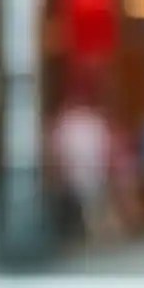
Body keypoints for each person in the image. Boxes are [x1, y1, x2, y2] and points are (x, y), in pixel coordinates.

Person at [49, 88, 117, 244]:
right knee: (90, 203)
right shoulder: (72, 122)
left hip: (87, 171)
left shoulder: (82, 122)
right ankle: (94, 231)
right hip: (82, 172)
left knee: (93, 202)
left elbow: (103, 148)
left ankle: (96, 231)